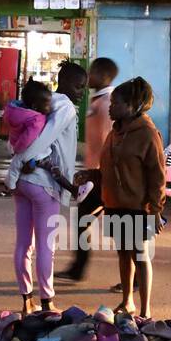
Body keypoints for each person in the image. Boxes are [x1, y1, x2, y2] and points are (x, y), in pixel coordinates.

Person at [5, 61, 85, 313]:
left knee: (23, 244)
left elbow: (20, 138)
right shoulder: (65, 108)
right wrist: (20, 163)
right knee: (45, 247)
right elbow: (42, 140)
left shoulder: (44, 103)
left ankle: (26, 299)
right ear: (65, 82)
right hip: (44, 184)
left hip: (24, 183)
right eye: (79, 86)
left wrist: (18, 168)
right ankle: (47, 302)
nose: (82, 92)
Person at [101, 76, 166, 317]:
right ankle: (127, 301)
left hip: (139, 207)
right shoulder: (116, 132)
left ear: (132, 106)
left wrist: (156, 209)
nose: (110, 107)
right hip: (115, 203)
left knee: (141, 256)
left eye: (115, 103)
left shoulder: (148, 134)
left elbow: (157, 174)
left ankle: (146, 310)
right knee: (123, 254)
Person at [59, 56, 118, 283]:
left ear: (103, 76)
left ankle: (132, 276)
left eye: (92, 72)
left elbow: (110, 140)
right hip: (93, 173)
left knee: (117, 225)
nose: (88, 76)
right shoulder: (97, 100)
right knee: (83, 220)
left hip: (104, 175)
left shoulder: (111, 102)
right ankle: (78, 268)